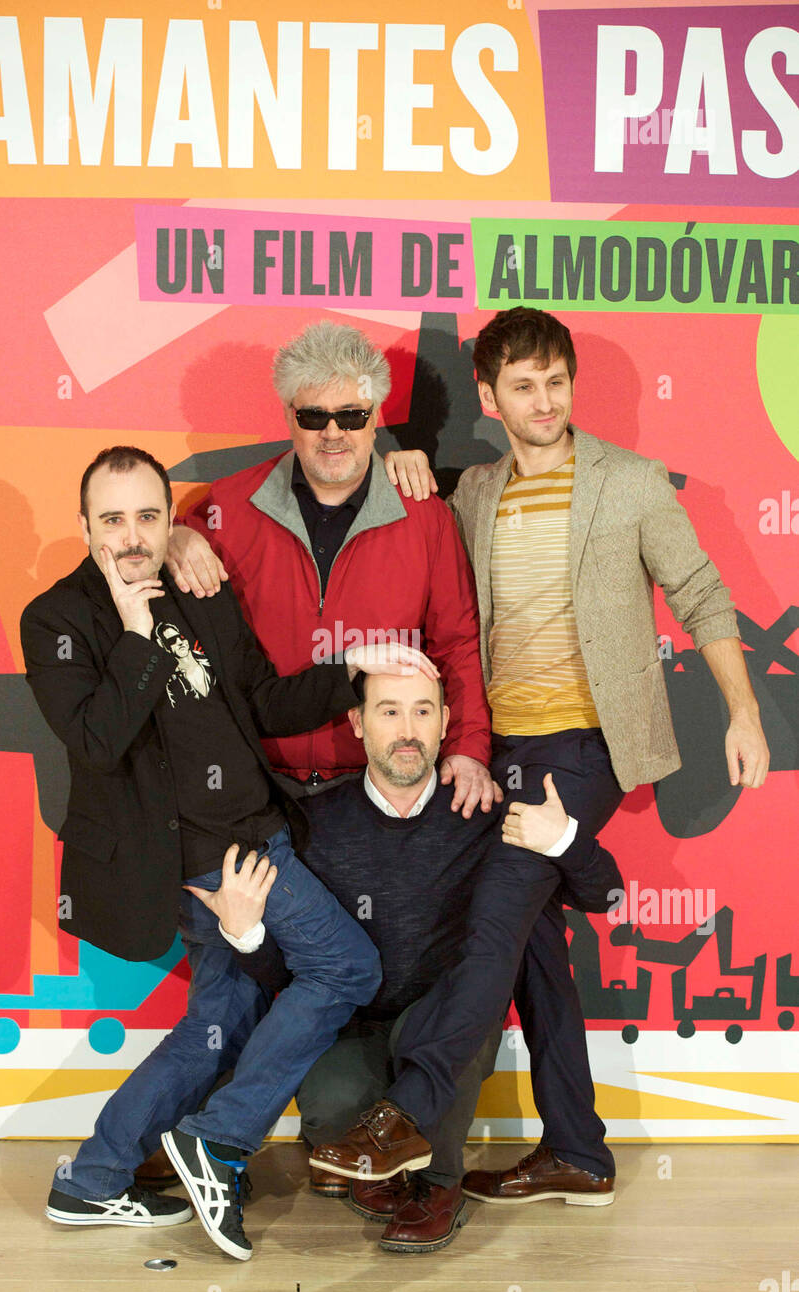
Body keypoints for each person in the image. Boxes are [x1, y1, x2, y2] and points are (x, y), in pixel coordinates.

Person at [310, 306, 770, 1199]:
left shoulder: (630, 483)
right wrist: (404, 457)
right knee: (533, 950)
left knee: (494, 912)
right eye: (524, 386)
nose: (545, 401)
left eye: (557, 382)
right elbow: (387, 500)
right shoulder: (475, 492)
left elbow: (705, 595)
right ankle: (579, 1150)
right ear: (489, 395)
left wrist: (742, 714)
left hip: (585, 741)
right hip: (500, 746)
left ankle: (408, 1112)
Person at [20, 445, 439, 1261]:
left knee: (221, 1017)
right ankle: (219, 1142)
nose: (133, 537)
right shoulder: (58, 619)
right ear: (83, 527)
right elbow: (98, 741)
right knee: (346, 967)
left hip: (259, 828)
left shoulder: (196, 588)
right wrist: (138, 631)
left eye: (149, 516)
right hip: (209, 858)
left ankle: (94, 1177)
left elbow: (261, 702)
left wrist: (351, 670)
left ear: (169, 514)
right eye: (113, 521)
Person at [194, 666, 624, 1253]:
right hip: (354, 1027)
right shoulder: (313, 822)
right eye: (388, 711)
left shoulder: (485, 810)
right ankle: (381, 1160)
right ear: (357, 722)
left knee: (457, 1022)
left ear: (447, 723)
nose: (407, 730)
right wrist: (246, 934)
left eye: (423, 711)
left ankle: (439, 1186)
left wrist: (564, 838)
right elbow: (285, 977)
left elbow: (606, 895)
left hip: (446, 1023)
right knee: (330, 1106)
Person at [164, 319, 497, 817]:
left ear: (376, 414)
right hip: (255, 784)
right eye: (314, 416)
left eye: (353, 416)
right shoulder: (226, 508)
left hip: (380, 787)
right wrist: (173, 535)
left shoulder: (426, 515)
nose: (334, 433)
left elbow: (456, 643)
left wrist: (468, 748)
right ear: (288, 414)